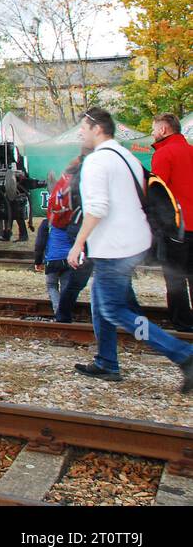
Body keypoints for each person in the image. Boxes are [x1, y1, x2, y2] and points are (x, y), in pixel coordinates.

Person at [69, 107, 193, 391]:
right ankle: (106, 362)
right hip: (131, 242)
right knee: (102, 305)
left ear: (97, 129)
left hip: (114, 247)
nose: (80, 133)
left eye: (84, 128)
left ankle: (184, 355)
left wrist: (77, 244)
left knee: (115, 310)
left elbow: (97, 208)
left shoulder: (98, 161)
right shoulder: (126, 155)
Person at [34, 154, 93, 322]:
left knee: (52, 285)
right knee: (67, 286)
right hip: (69, 259)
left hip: (52, 260)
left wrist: (38, 260)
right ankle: (65, 311)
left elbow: (39, 244)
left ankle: (58, 310)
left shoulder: (48, 223)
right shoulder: (75, 223)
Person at [151, 113, 193, 331]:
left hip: (177, 227)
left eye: (154, 129)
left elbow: (159, 193)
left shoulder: (163, 154)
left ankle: (183, 322)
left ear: (163, 130)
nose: (152, 133)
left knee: (176, 277)